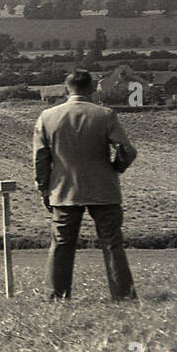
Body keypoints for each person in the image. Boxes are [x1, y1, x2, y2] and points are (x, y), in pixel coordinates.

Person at [33, 69, 137, 301]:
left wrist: (44, 187)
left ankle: (57, 297)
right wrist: (116, 168)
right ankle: (124, 297)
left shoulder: (47, 117)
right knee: (112, 242)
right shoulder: (105, 114)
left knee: (61, 243)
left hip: (63, 189)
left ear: (66, 88)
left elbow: (41, 158)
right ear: (91, 88)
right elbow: (127, 150)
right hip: (104, 188)